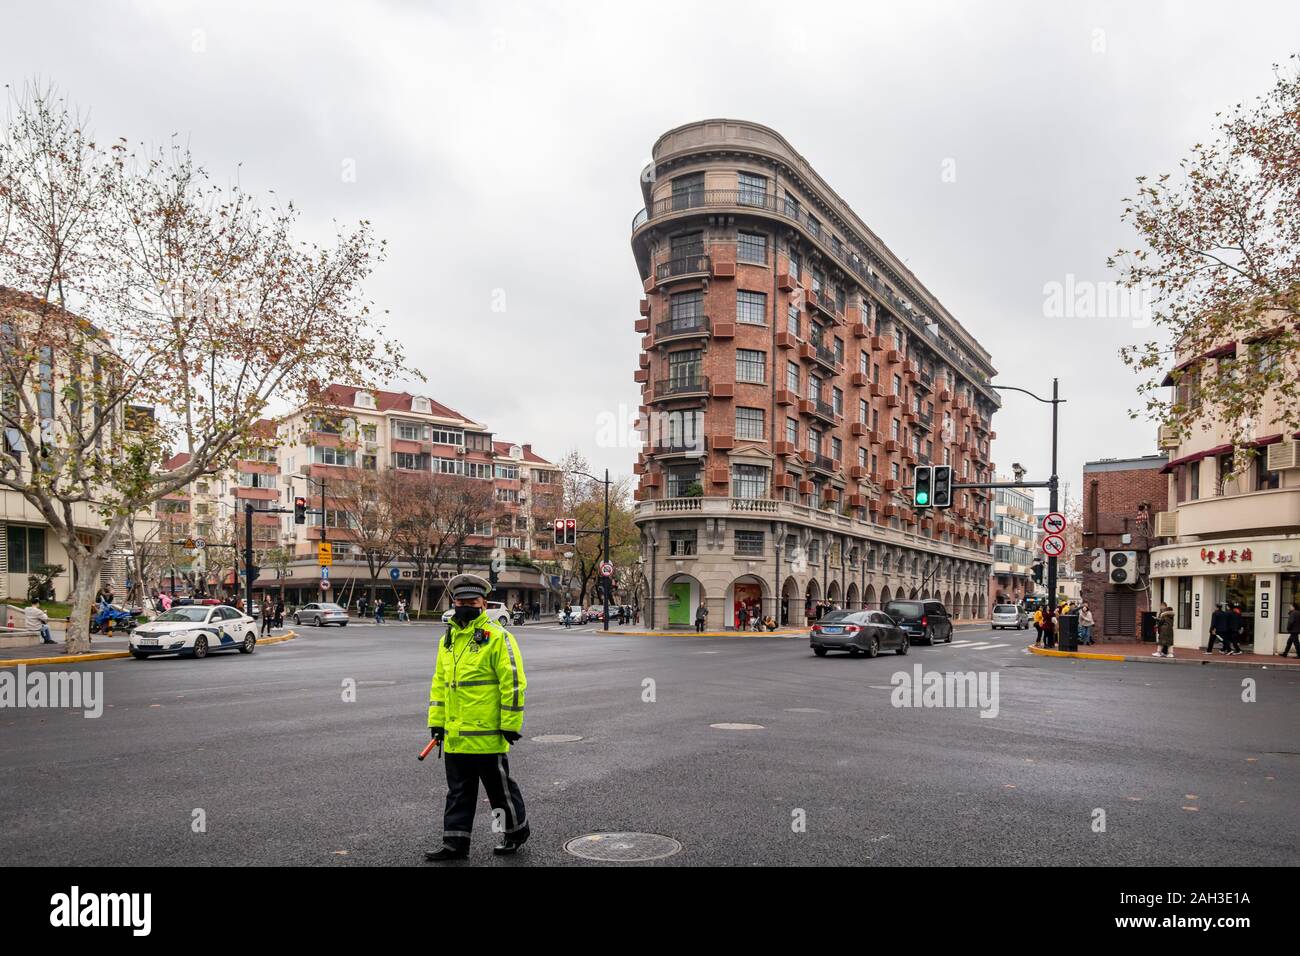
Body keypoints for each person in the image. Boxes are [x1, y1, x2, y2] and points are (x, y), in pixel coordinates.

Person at [426, 572, 529, 861]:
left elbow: (513, 682)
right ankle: (455, 843)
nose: (465, 605)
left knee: (499, 792)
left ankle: (514, 833)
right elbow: (440, 684)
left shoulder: (497, 637)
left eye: (472, 601)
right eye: (460, 601)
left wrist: (510, 724)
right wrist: (437, 722)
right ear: (453, 603)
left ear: (484, 604)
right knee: (458, 793)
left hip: (488, 734)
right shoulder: (447, 641)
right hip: (456, 734)